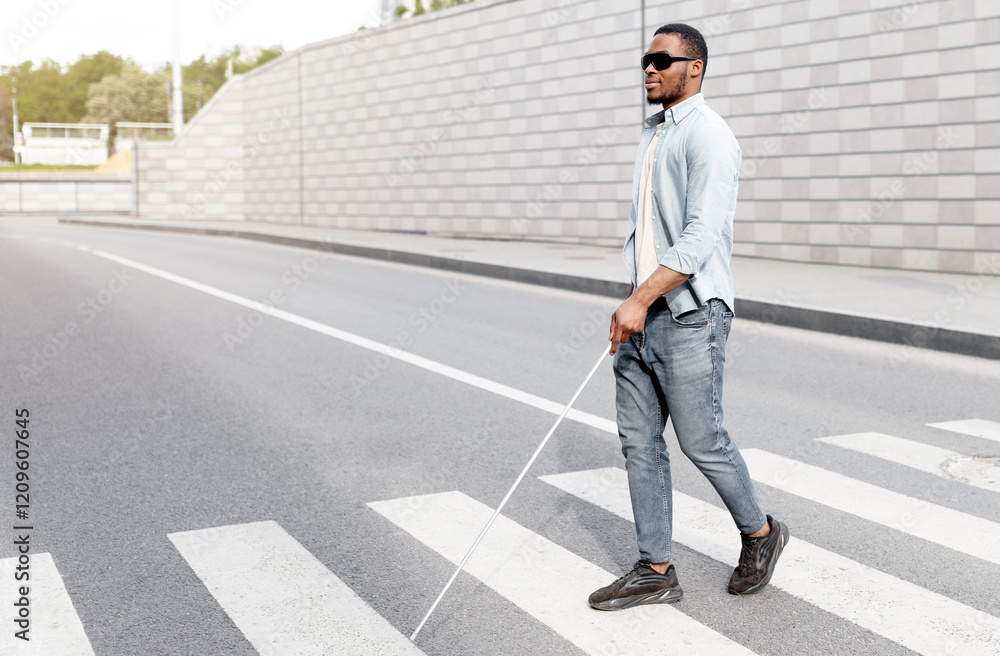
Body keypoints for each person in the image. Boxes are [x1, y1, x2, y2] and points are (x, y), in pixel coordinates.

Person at [589, 23, 788, 611]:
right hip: (644, 309)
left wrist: (640, 298)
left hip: (689, 314)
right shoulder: (655, 135)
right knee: (639, 443)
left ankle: (760, 532)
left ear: (694, 67)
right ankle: (655, 567)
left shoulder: (710, 136)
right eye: (644, 60)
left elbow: (701, 237)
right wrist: (636, 299)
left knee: (702, 440)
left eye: (661, 59)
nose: (648, 69)